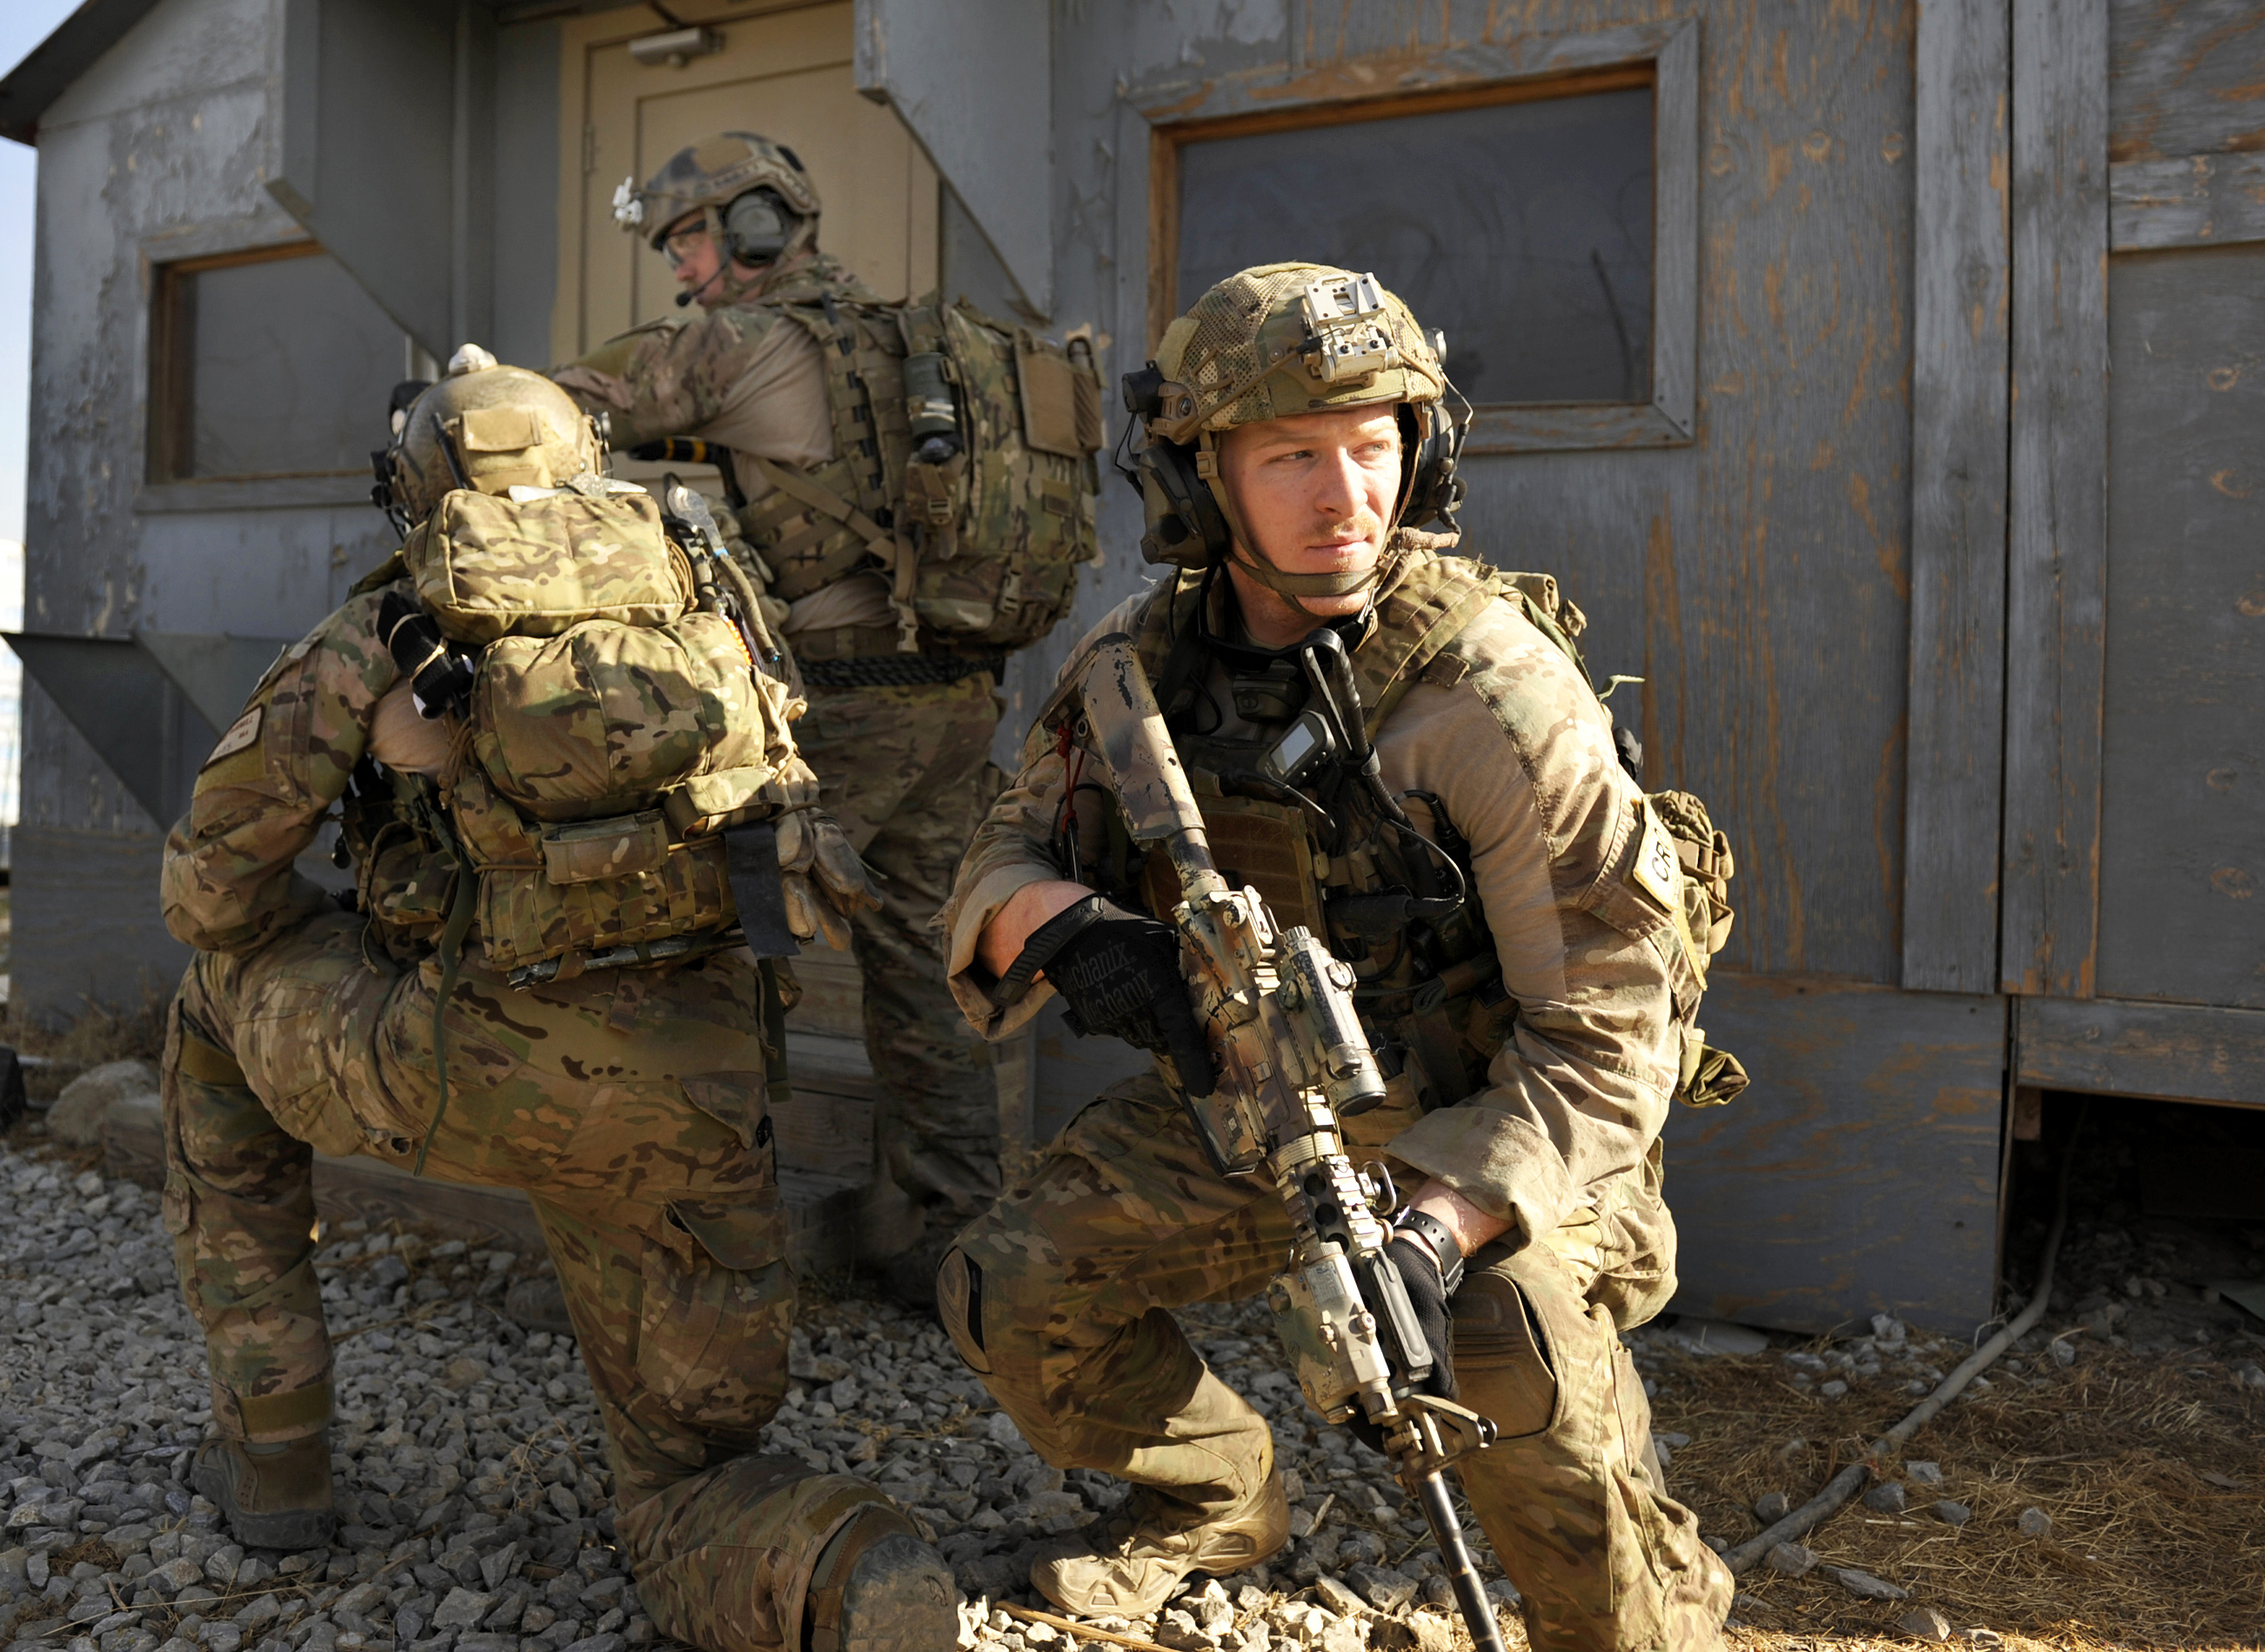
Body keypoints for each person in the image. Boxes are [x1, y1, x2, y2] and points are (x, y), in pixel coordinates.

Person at [931, 264, 1741, 1648]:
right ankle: (1214, 1502)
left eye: (1374, 449)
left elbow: (1610, 1036)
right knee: (1013, 1288)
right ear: (1202, 478)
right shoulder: (1139, 667)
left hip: (1500, 1124)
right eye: (1293, 455)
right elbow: (998, 857)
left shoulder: (1485, 691)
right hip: (1260, 1102)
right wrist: (1068, 929)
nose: (1344, 493)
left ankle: (1645, 1620)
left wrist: (1437, 1229)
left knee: (1502, 1356)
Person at [156, 347, 956, 1652]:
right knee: (688, 1467)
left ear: (413, 489)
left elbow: (211, 889)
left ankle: (275, 1460)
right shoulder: (716, 603)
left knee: (209, 1009)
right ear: (590, 462)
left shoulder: (386, 624)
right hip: (699, 1101)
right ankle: (833, 1568)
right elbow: (776, 864)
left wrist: (354, 922)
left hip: (462, 1066)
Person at [553, 131, 1006, 1304]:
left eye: (692, 237)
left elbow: (538, 411)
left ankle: (697, 1260)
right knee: (923, 973)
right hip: (954, 704)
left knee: (707, 951)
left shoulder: (736, 344)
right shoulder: (913, 343)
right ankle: (963, 1250)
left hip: (837, 720)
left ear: (759, 226)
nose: (681, 268)